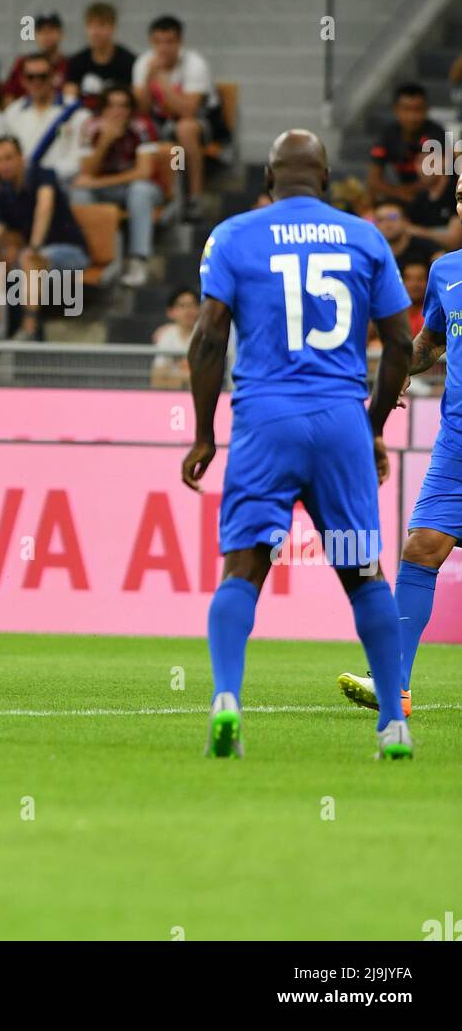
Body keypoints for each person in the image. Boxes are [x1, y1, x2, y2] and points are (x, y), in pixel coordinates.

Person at [182, 129, 414, 760]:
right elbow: (398, 344)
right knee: (364, 575)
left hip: (265, 420)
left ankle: (227, 698)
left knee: (245, 566)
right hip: (339, 421)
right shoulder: (364, 237)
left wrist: (204, 431)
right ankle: (393, 723)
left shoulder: (233, 236)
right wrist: (371, 428)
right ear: (326, 176)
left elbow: (207, 338)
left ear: (269, 176)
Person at [338, 168, 462, 722]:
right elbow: (431, 341)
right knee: (422, 547)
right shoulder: (446, 272)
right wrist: (397, 370)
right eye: (459, 194)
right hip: (456, 439)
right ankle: (395, 685)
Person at [0, 135, 89, 341]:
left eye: (9, 158)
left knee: (27, 259)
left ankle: (29, 326)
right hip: (36, 258)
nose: (4, 165)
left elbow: (44, 207)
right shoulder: (4, 192)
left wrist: (34, 246)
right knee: (4, 267)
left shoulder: (42, 175)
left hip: (70, 252)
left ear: (21, 158)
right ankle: (3, 332)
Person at [69, 84, 161, 287]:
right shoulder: (90, 127)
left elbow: (144, 172)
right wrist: (105, 141)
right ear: (103, 109)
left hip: (137, 187)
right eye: (112, 106)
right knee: (79, 194)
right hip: (103, 189)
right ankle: (92, 257)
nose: (118, 111)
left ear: (131, 109)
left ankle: (139, 259)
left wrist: (98, 182)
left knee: (140, 190)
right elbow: (86, 172)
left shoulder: (143, 126)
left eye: (124, 106)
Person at [132, 14, 212, 220]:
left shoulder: (195, 64)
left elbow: (188, 110)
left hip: (199, 123)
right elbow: (142, 108)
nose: (163, 48)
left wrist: (163, 83)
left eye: (169, 42)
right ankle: (166, 197)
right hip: (161, 122)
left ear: (179, 42)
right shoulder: (144, 64)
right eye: (158, 42)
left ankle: (194, 196)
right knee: (137, 126)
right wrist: (149, 79)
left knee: (184, 129)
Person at [2, 51, 86, 182]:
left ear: (53, 77)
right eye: (30, 77)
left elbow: (81, 156)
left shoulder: (76, 112)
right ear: (22, 80)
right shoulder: (12, 113)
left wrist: (48, 175)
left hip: (63, 182)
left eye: (43, 76)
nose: (36, 82)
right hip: (23, 184)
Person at [367, 83, 444, 205]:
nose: (412, 116)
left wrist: (404, 192)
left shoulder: (436, 135)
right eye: (406, 109)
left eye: (418, 109)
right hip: (400, 195)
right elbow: (374, 180)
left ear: (426, 110)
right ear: (396, 110)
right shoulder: (387, 135)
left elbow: (437, 178)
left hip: (432, 198)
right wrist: (399, 193)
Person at [65, 1, 135, 110]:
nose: (95, 32)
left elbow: (132, 99)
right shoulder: (76, 61)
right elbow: (70, 96)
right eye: (90, 25)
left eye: (101, 25)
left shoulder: (128, 62)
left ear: (113, 27)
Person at [2, 12, 67, 105]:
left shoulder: (69, 65)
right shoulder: (23, 63)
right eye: (41, 31)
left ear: (61, 34)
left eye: (51, 30)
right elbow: (9, 94)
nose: (46, 35)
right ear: (35, 35)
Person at [151, 287, 201, 386]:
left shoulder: (206, 337)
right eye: (182, 306)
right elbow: (157, 380)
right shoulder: (166, 336)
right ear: (171, 312)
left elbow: (205, 381)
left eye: (192, 305)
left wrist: (174, 376)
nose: (188, 310)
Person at [372, 200, 436, 273]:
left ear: (406, 221)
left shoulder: (427, 249)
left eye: (393, 218)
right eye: (380, 220)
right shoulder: (371, 251)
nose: (387, 225)